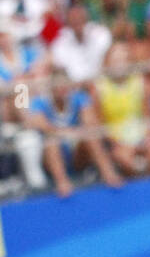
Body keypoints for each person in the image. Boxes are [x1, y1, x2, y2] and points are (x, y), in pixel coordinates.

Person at [28, 69, 122, 198]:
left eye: (64, 85)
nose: (61, 89)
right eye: (57, 86)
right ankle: (62, 182)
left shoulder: (79, 98)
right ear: (50, 88)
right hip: (52, 155)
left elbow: (90, 122)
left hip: (76, 152)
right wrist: (68, 132)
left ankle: (109, 174)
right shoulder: (40, 102)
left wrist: (69, 133)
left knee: (91, 137)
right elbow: (41, 125)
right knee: (51, 141)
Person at [94, 43, 150, 179]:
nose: (120, 64)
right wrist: (118, 143)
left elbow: (149, 116)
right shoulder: (98, 88)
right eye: (116, 60)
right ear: (107, 62)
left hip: (141, 136)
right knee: (126, 161)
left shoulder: (142, 82)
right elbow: (100, 125)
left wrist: (148, 138)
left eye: (123, 59)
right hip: (118, 140)